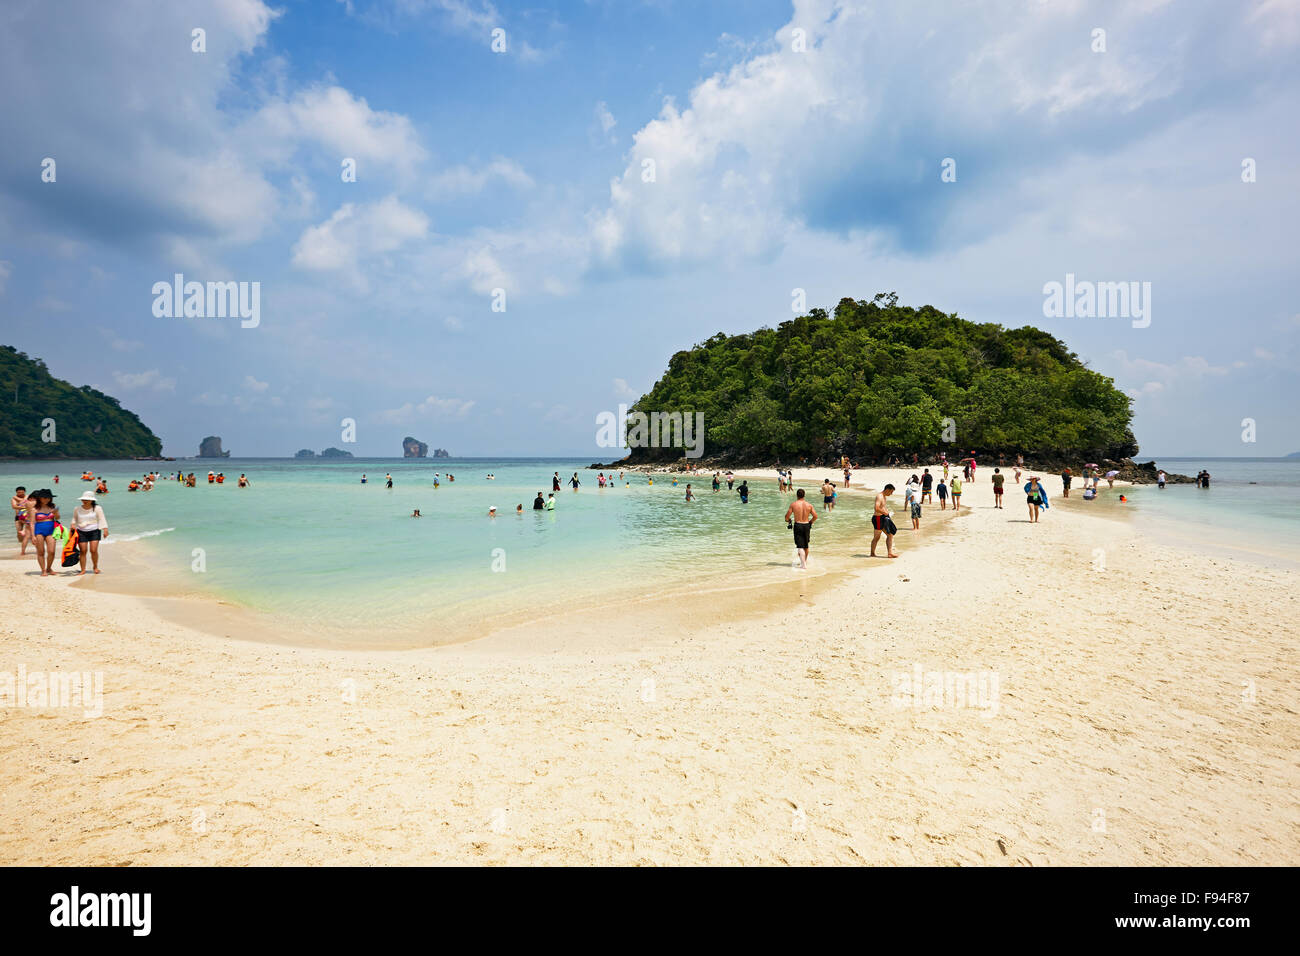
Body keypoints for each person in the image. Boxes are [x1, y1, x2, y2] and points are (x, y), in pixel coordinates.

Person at [71, 491, 108, 574]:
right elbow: (74, 519)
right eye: (83, 499)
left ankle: (95, 567)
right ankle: (83, 569)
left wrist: (105, 529)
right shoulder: (77, 509)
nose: (84, 500)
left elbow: (102, 518)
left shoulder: (97, 508)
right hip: (81, 531)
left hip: (94, 531)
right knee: (83, 551)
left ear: (92, 500)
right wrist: (72, 524)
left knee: (93, 550)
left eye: (87, 499)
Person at [27, 489, 60, 577]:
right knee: (41, 552)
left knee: (51, 551)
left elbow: (57, 518)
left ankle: (49, 568)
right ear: (39, 498)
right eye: (44, 498)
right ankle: (43, 570)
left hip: (51, 531)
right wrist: (33, 536)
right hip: (39, 531)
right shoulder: (34, 509)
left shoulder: (53, 506)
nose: (47, 499)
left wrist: (56, 513)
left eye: (48, 498)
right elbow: (32, 523)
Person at [785, 487, 818, 569]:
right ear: (804, 495)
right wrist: (810, 522)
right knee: (806, 546)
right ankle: (804, 562)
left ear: (797, 495)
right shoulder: (809, 505)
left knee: (800, 546)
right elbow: (815, 516)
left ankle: (803, 565)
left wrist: (788, 520)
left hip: (798, 525)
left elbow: (786, 517)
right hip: (806, 525)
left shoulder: (793, 504)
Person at [870, 484, 898, 558]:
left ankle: (890, 553)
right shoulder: (879, 496)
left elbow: (882, 507)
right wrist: (884, 512)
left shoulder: (884, 496)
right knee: (876, 537)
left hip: (883, 517)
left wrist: (886, 514)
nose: (891, 494)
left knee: (890, 535)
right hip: (878, 519)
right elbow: (876, 508)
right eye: (891, 492)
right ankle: (872, 553)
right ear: (887, 490)